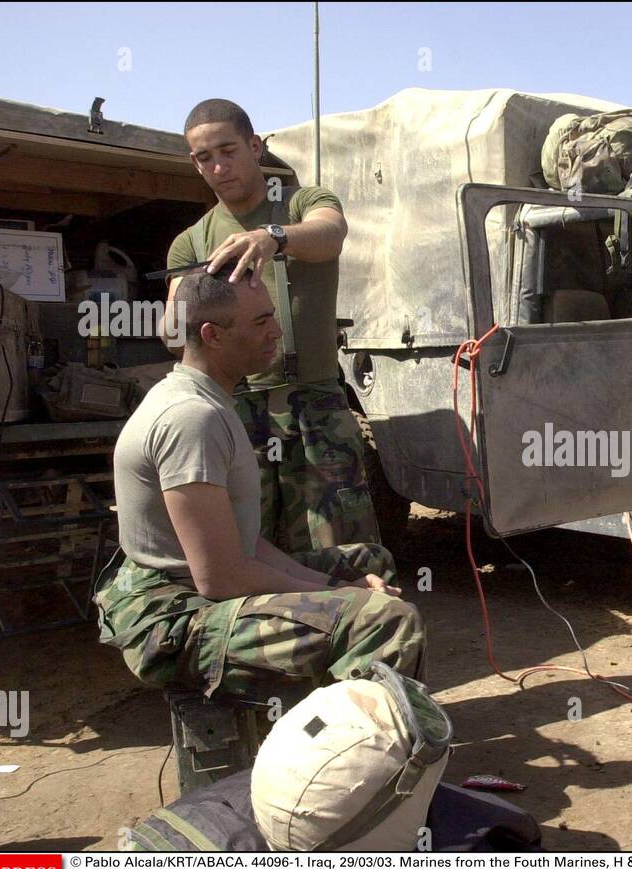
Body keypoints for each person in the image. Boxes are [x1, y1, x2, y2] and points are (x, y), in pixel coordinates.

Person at [97, 264, 423, 703]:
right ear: (213, 335)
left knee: (368, 563)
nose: (276, 333)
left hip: (197, 588)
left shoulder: (211, 398)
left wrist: (342, 587)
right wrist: (340, 596)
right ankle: (358, 757)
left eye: (271, 316)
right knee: (386, 620)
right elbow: (221, 577)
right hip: (172, 619)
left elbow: (245, 543)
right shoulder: (192, 418)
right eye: (260, 322)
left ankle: (338, 719)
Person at [163, 98, 379, 556]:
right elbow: (173, 332)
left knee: (340, 549)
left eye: (228, 151)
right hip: (235, 412)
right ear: (194, 163)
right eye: (205, 158)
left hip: (313, 404)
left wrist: (275, 238)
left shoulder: (302, 202)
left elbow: (331, 233)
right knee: (251, 548)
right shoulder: (192, 241)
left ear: (254, 147)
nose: (219, 167)